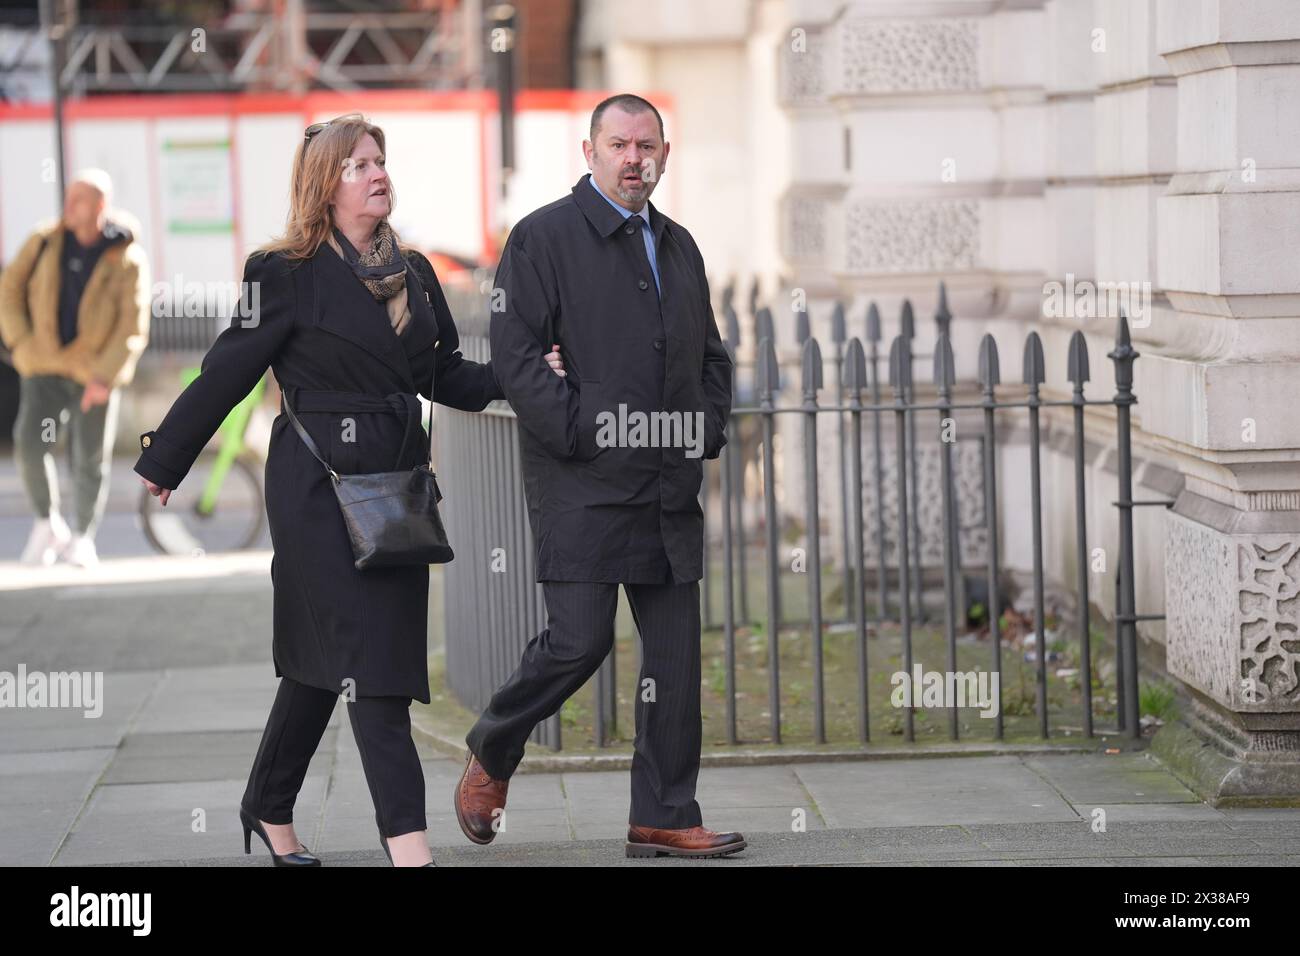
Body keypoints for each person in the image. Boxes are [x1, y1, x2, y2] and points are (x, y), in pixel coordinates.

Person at [133, 114, 565, 867]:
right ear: (323, 186)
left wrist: (524, 379)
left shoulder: (415, 273)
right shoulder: (284, 273)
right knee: (376, 674)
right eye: (356, 164)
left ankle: (268, 806)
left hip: (396, 495)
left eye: (379, 160)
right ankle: (410, 851)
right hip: (317, 492)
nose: (375, 173)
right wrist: (165, 458)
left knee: (321, 668)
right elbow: (228, 369)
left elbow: (444, 377)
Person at [456, 94, 745, 859]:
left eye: (646, 145)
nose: (633, 158)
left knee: (676, 662)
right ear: (590, 152)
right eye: (618, 143)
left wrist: (705, 428)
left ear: (664, 154)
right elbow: (517, 358)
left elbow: (710, 358)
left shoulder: (679, 246)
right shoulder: (542, 239)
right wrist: (581, 432)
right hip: (582, 484)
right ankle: (493, 747)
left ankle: (663, 814)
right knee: (578, 643)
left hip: (667, 487)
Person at [0, 169, 149, 567]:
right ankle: (46, 522)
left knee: (89, 457)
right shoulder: (45, 241)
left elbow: (132, 326)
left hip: (94, 372)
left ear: (100, 206)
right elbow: (10, 288)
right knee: (31, 444)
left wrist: (106, 375)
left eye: (78, 199)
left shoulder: (126, 258)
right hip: (44, 363)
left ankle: (83, 535)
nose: (68, 206)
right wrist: (20, 342)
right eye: (68, 197)